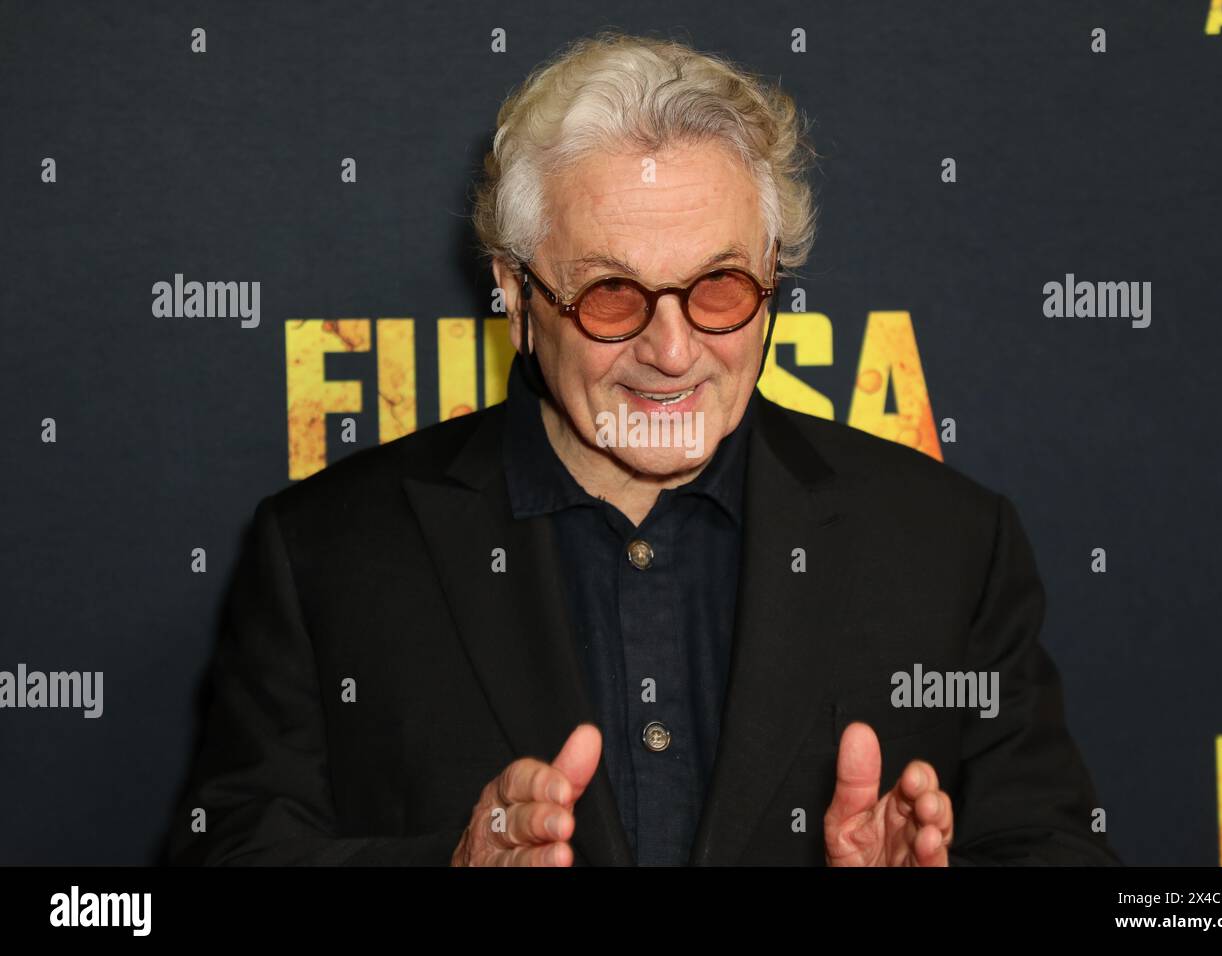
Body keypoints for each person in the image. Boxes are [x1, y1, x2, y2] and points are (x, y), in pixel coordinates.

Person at [168, 31, 1119, 867]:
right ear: (514, 293)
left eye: (719, 290)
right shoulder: (328, 551)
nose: (672, 352)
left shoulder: (946, 543)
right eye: (613, 296)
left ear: (774, 277)